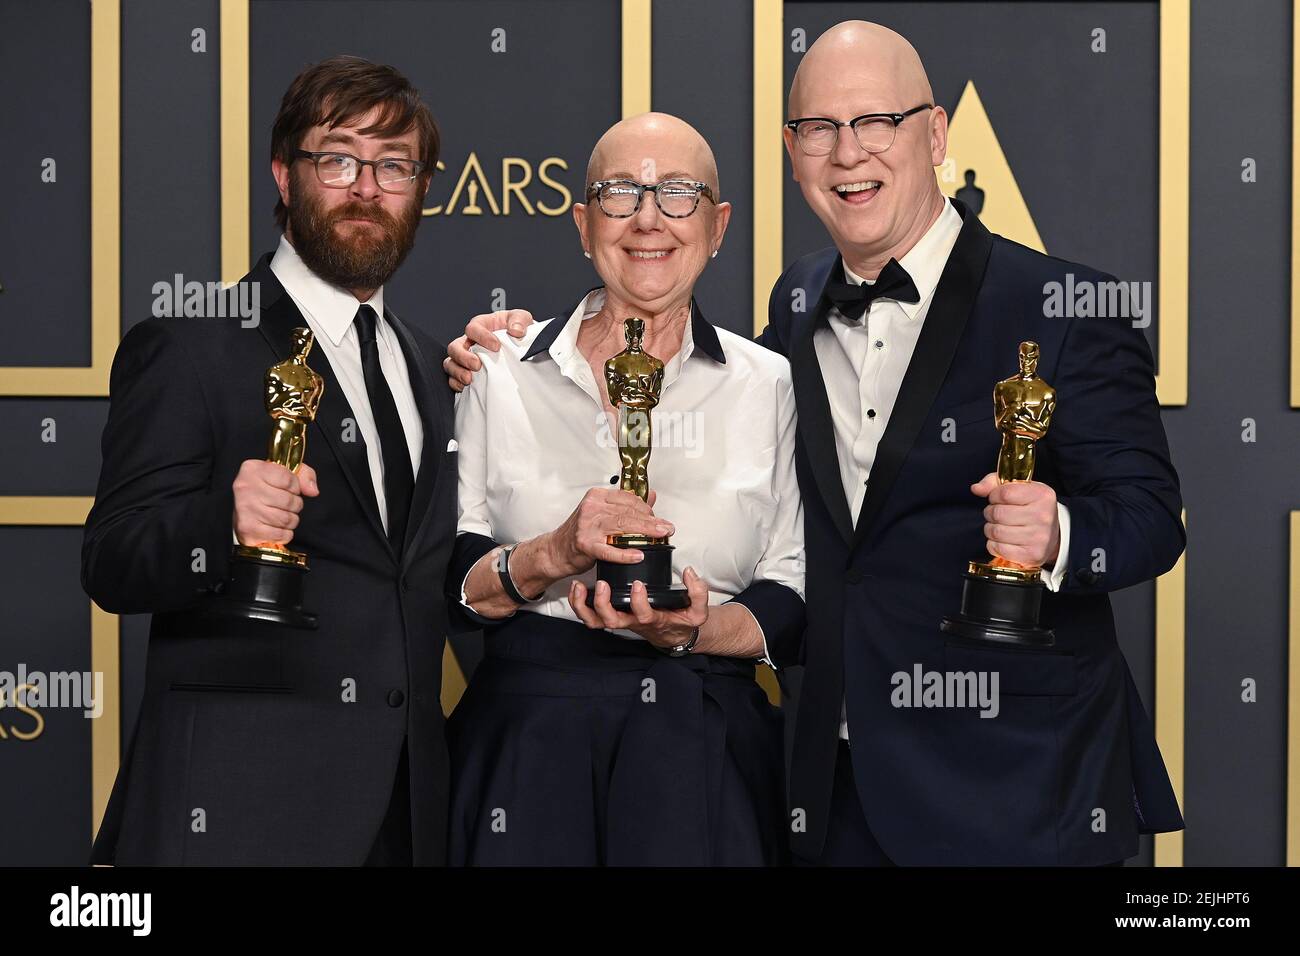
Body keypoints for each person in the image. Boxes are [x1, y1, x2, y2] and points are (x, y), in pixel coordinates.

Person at [444, 22, 1184, 866]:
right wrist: (498, 351)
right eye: (817, 130)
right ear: (792, 155)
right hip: (828, 782)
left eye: (875, 122)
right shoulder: (793, 309)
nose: (845, 154)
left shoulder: (1062, 307)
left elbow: (1152, 516)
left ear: (935, 134)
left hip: (1015, 776)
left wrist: (1059, 537)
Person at [83, 55, 457, 865]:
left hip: (407, 817)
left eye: (394, 165)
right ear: (285, 175)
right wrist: (222, 521)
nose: (367, 186)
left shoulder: (433, 368)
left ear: (420, 189)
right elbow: (112, 561)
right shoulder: (189, 346)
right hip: (236, 816)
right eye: (339, 158)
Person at [446, 112, 805, 865]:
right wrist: (549, 553)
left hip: (701, 736)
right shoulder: (496, 367)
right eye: (619, 194)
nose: (648, 219)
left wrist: (696, 632)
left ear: (718, 226)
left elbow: (792, 587)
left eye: (679, 194)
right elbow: (451, 576)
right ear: (583, 223)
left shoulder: (768, 382)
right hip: (528, 741)